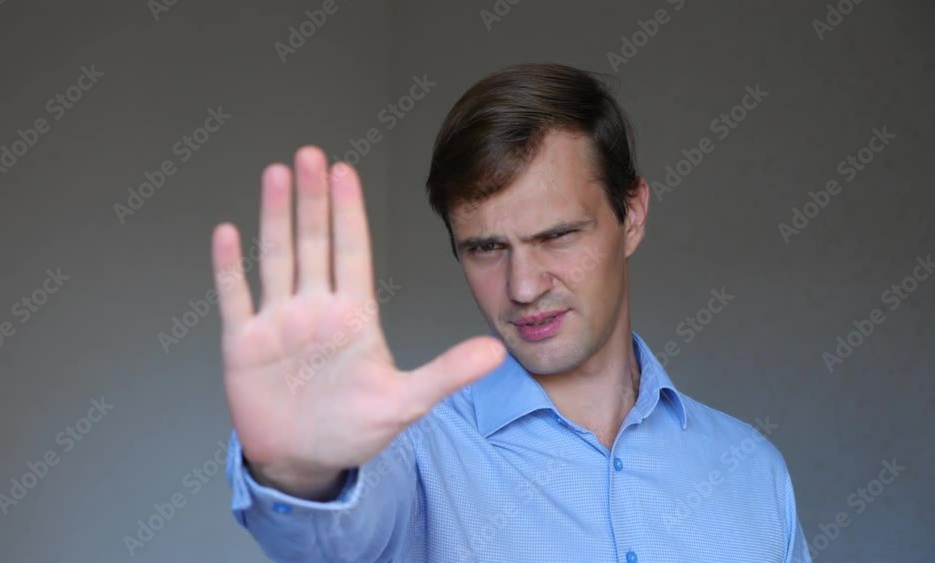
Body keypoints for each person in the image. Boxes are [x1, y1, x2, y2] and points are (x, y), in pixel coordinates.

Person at [212, 62, 812, 562]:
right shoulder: (416, 455)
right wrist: (303, 474)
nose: (523, 287)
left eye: (557, 236)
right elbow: (333, 537)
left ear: (631, 216)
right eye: (486, 248)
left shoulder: (753, 471)